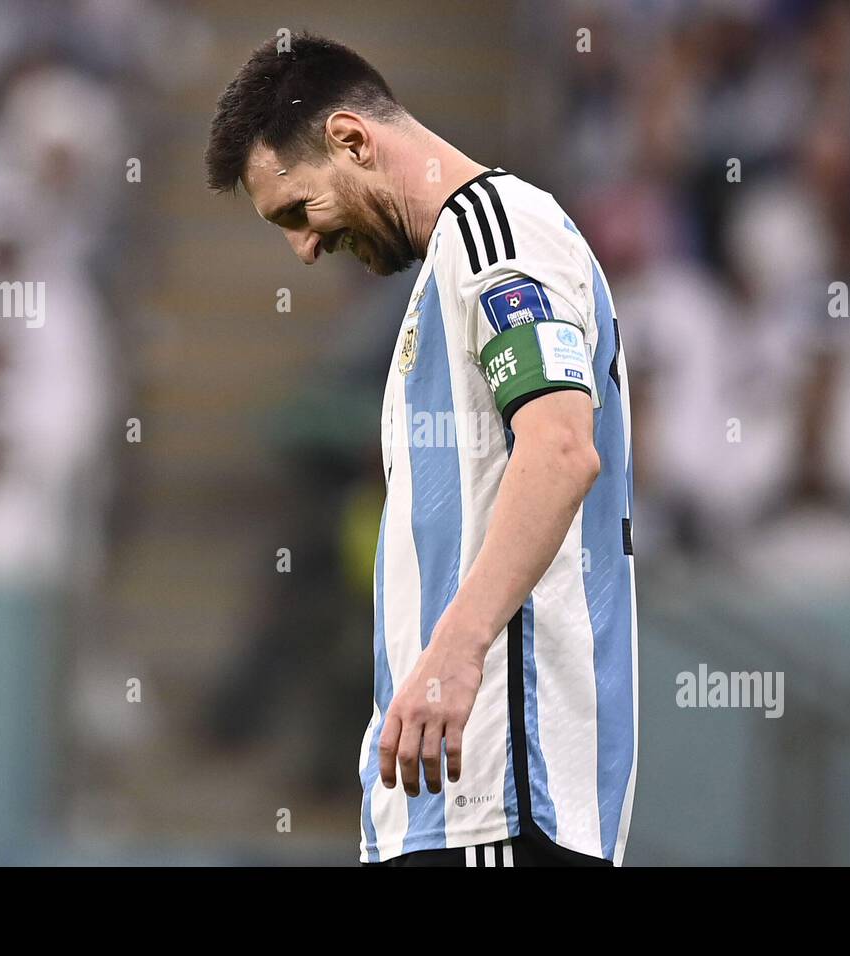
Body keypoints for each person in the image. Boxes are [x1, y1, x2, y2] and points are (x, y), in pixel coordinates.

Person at [205, 32, 637, 867]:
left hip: (507, 792)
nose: (302, 246)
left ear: (352, 139)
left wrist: (457, 648)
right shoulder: (442, 275)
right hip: (454, 799)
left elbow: (558, 449)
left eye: (299, 211)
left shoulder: (499, 234)